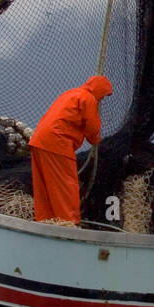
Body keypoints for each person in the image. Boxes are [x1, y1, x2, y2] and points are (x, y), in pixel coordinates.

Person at [29, 75, 113, 224]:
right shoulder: (88, 98)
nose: (102, 99)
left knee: (43, 187)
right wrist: (99, 142)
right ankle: (69, 224)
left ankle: (45, 221)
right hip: (58, 143)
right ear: (99, 91)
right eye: (104, 95)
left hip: (38, 141)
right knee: (66, 186)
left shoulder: (71, 93)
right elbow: (92, 129)